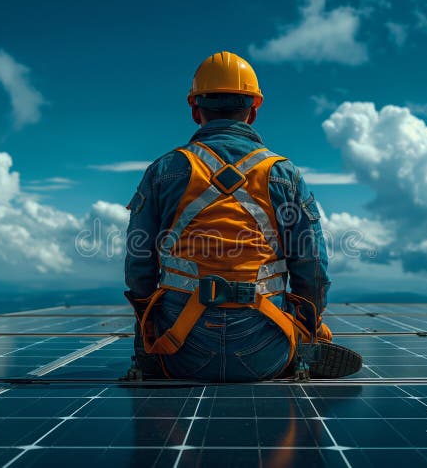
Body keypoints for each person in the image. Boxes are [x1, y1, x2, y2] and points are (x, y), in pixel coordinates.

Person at [124, 51, 361, 381]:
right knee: (304, 328)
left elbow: (139, 267)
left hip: (178, 349)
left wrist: (146, 339)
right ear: (254, 109)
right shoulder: (283, 173)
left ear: (195, 110)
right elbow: (312, 266)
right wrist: (312, 324)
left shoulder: (164, 170)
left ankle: (151, 359)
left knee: (159, 321)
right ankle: (304, 348)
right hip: (266, 350)